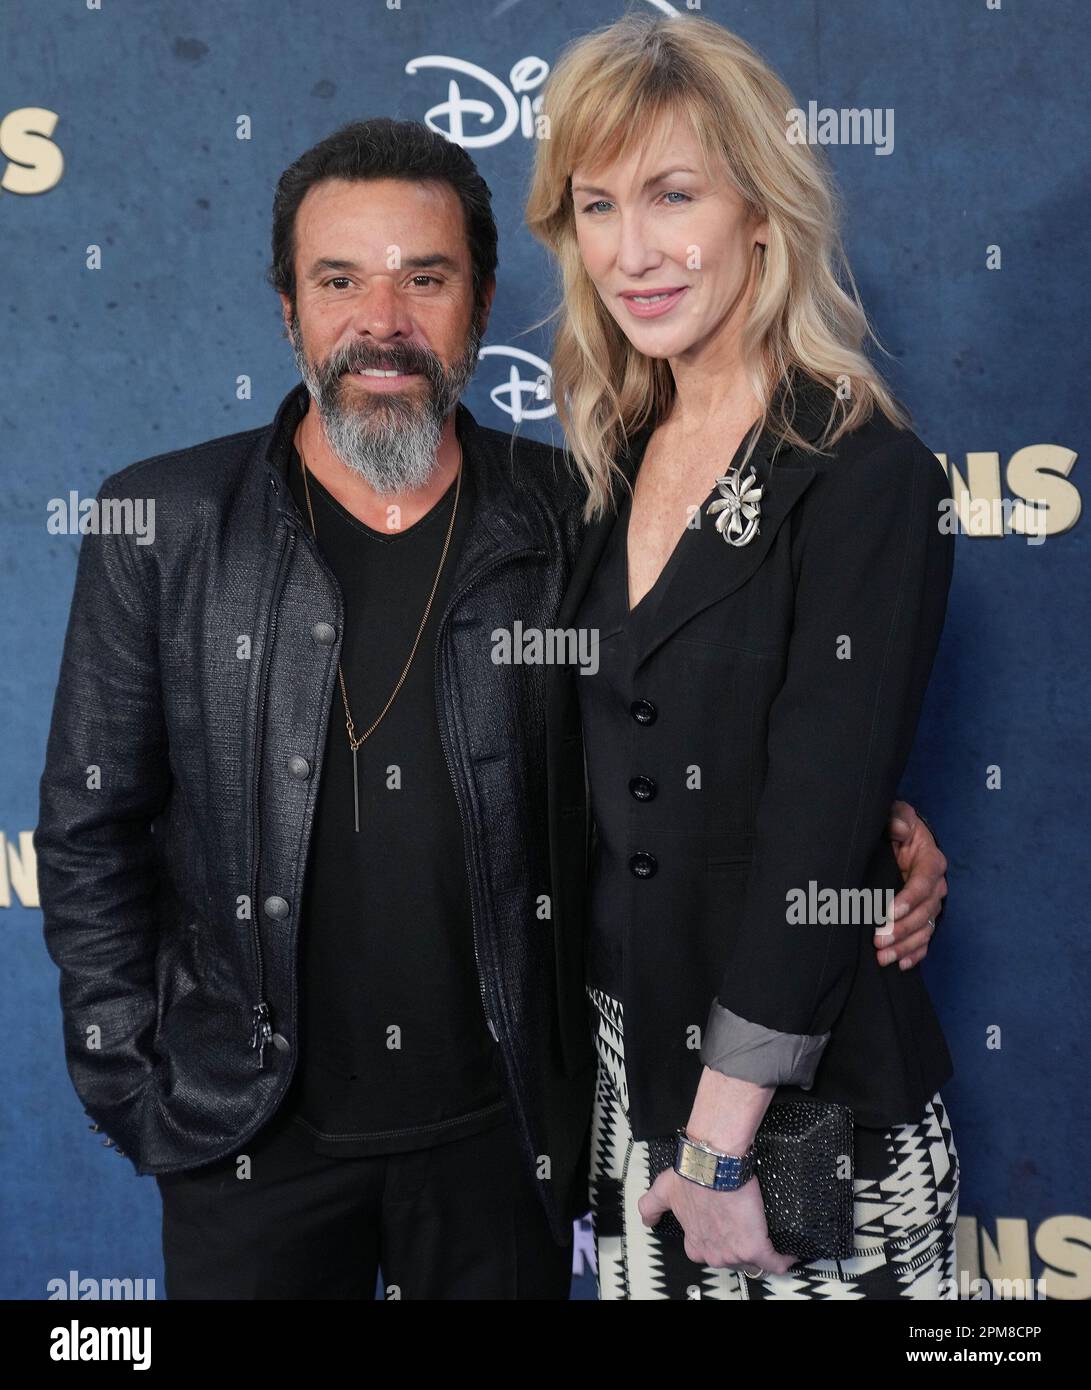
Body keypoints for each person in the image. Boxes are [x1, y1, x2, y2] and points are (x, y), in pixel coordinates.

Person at [35, 116, 945, 1301]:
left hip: (511, 1140)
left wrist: (871, 833)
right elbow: (89, 830)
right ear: (286, 309)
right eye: (338, 281)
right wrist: (137, 1086)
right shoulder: (163, 527)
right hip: (246, 1143)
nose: (382, 321)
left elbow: (700, 724)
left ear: (479, 303)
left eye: (425, 278)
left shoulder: (576, 506)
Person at [528, 13, 959, 1299]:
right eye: (597, 206)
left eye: (673, 195)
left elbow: (818, 823)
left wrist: (720, 1151)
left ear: (760, 214)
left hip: (797, 1101)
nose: (632, 250)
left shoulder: (862, 475)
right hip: (627, 1084)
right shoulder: (599, 469)